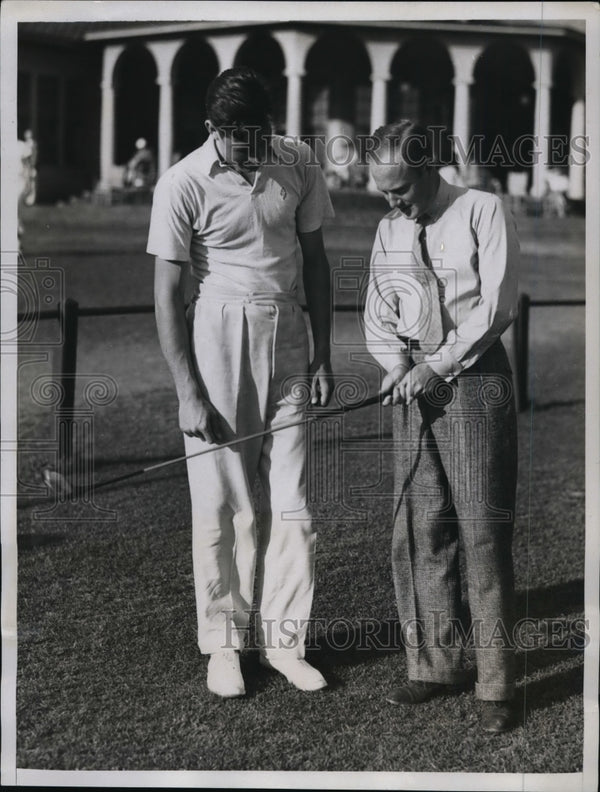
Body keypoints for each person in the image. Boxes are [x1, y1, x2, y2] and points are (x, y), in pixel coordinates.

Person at [147, 68, 334, 698]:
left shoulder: (298, 162)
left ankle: (285, 645)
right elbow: (167, 294)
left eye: (264, 133)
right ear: (212, 130)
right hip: (219, 335)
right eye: (241, 139)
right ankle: (224, 645)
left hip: (290, 335)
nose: (255, 149)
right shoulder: (181, 182)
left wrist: (325, 353)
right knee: (226, 504)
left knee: (293, 504)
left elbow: (315, 260)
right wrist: (187, 390)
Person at [364, 120, 520, 734]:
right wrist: (397, 365)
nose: (393, 202)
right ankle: (435, 665)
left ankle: (496, 683)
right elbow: (379, 304)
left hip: (474, 378)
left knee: (481, 533)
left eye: (400, 189)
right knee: (419, 528)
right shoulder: (388, 227)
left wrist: (438, 364)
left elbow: (497, 304)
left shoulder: (482, 209)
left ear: (431, 169)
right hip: (414, 384)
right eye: (383, 191)